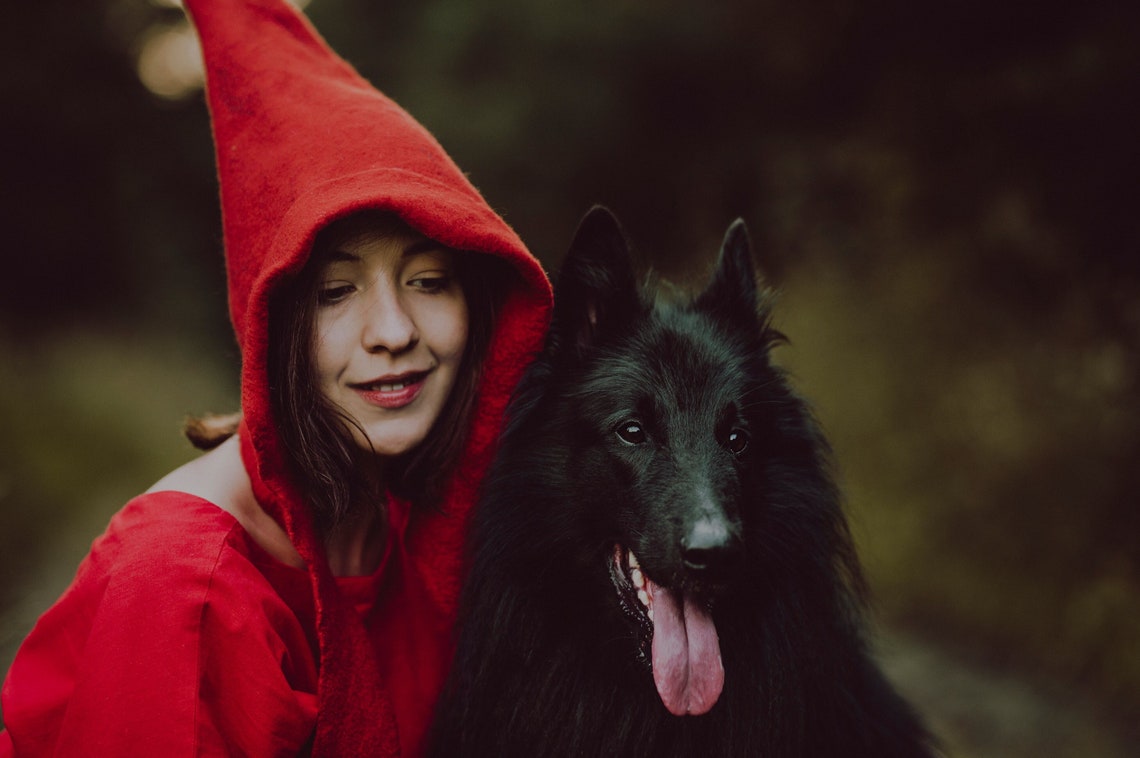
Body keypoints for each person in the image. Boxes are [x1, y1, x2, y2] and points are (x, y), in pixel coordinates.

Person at [0, 0, 551, 755]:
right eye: (335, 292)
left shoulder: (418, 518)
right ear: (273, 327)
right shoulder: (182, 588)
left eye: (429, 281)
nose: (394, 333)